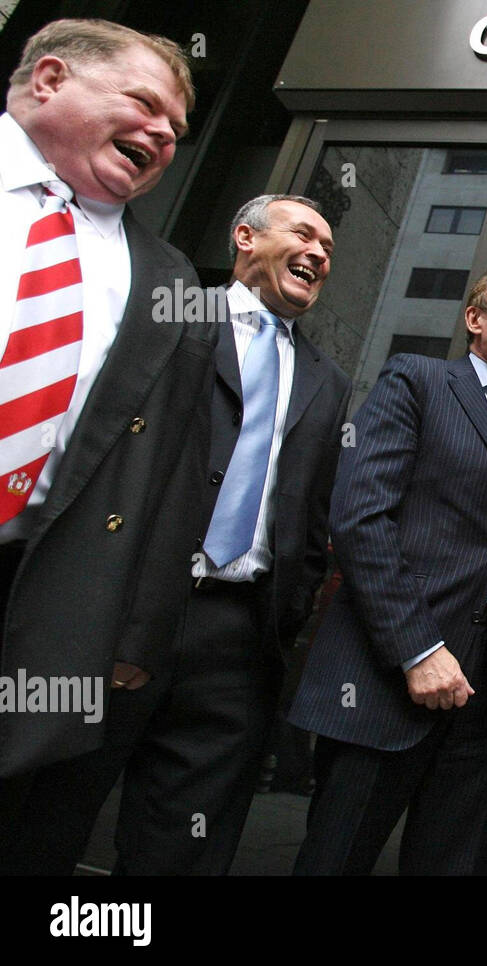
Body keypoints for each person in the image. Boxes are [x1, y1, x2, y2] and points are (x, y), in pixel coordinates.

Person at [3, 195, 351, 874]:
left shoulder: (327, 381)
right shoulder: (168, 320)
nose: (320, 254)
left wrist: (285, 613)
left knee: (181, 851)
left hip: (236, 645)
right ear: (244, 237)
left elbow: (308, 514)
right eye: (305, 234)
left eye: (330, 249)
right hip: (120, 614)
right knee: (47, 821)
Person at [289, 263, 487, 875]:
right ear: (474, 320)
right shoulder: (418, 380)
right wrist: (417, 650)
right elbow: (360, 518)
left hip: (486, 705)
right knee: (336, 858)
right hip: (387, 681)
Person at [0, 19, 213, 837]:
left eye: (177, 131)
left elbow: (168, 469)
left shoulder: (165, 279)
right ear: (50, 79)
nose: (163, 136)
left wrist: (136, 634)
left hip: (39, 597)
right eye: (144, 104)